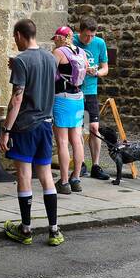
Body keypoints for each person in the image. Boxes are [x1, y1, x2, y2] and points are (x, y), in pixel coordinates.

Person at [0, 18, 63, 247]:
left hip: (25, 125)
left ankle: (25, 229)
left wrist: (5, 131)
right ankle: (54, 230)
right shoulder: (50, 57)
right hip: (46, 123)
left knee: (24, 176)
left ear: (19, 35)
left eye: (14, 37)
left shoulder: (21, 60)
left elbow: (17, 98)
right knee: (46, 177)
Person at [51, 25, 88, 195]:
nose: (55, 42)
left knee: (63, 142)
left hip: (62, 99)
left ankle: (64, 181)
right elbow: (86, 70)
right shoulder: (81, 52)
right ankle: (76, 178)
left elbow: (49, 75)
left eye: (56, 39)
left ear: (60, 38)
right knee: (77, 140)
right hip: (78, 98)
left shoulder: (58, 53)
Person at [75, 16, 110, 179]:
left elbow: (105, 68)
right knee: (78, 129)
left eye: (92, 36)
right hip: (74, 91)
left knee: (94, 128)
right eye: (86, 36)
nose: (89, 39)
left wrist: (96, 72)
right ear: (79, 31)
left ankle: (95, 165)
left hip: (90, 91)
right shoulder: (73, 41)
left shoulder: (99, 43)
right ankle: (80, 164)